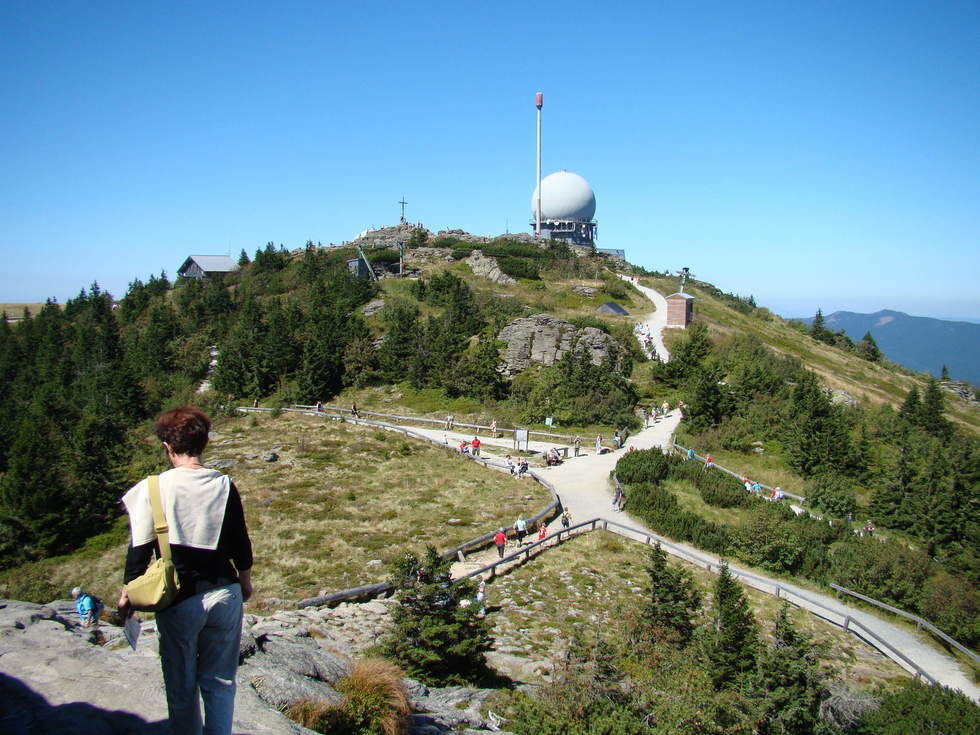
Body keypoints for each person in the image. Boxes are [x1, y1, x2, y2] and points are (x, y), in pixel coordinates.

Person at [119, 406, 253, 735]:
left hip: (179, 598)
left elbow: (138, 551)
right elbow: (240, 542)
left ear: (167, 446)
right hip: (225, 591)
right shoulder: (223, 484)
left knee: (181, 685)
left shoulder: (153, 489)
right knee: (221, 682)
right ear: (204, 443)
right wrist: (245, 583)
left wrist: (127, 594)